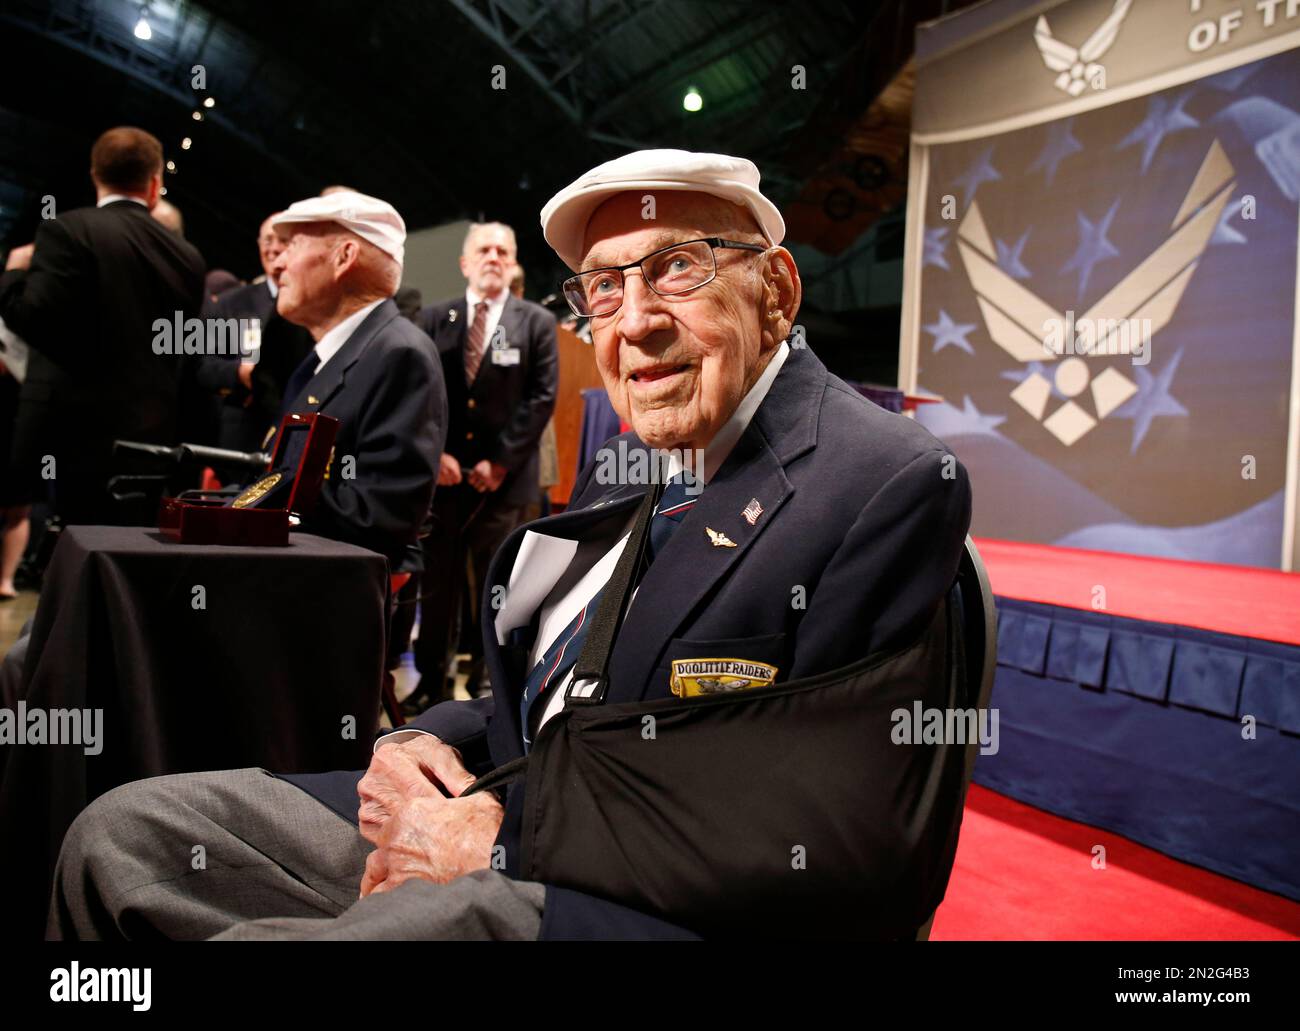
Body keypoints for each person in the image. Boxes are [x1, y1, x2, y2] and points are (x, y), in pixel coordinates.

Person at [48, 150, 970, 940]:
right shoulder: (639, 457)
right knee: (122, 835)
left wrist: (492, 843)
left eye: (677, 268)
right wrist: (418, 739)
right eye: (605, 287)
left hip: (618, 893)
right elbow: (556, 697)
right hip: (494, 799)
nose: (635, 322)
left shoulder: (879, 481)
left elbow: (843, 836)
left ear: (775, 289)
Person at [0, 126, 205, 525]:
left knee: (71, 541)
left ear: (95, 175)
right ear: (155, 182)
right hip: (150, 432)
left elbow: (34, 318)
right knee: (127, 544)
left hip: (74, 431)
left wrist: (12, 274)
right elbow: (181, 343)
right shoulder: (187, 256)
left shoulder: (68, 230)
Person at [407, 222, 557, 707]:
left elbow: (541, 398)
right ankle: (431, 680)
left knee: (498, 584)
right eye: (484, 250)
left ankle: (489, 684)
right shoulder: (433, 318)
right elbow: (420, 393)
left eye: (503, 251)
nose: (494, 257)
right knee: (438, 586)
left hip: (504, 484)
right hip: (445, 479)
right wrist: (439, 453)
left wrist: (499, 462)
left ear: (513, 262)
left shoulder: (534, 322)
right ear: (465, 263)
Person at [265, 191, 446, 575]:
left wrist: (272, 491)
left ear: (344, 257)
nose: (277, 264)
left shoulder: (400, 354)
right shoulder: (338, 355)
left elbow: (380, 518)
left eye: (292, 246)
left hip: (337, 598)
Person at [197, 214, 315, 452]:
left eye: (282, 240)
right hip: (241, 436)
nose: (273, 249)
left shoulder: (312, 301)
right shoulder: (229, 304)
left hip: (300, 429)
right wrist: (240, 372)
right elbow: (202, 366)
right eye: (267, 241)